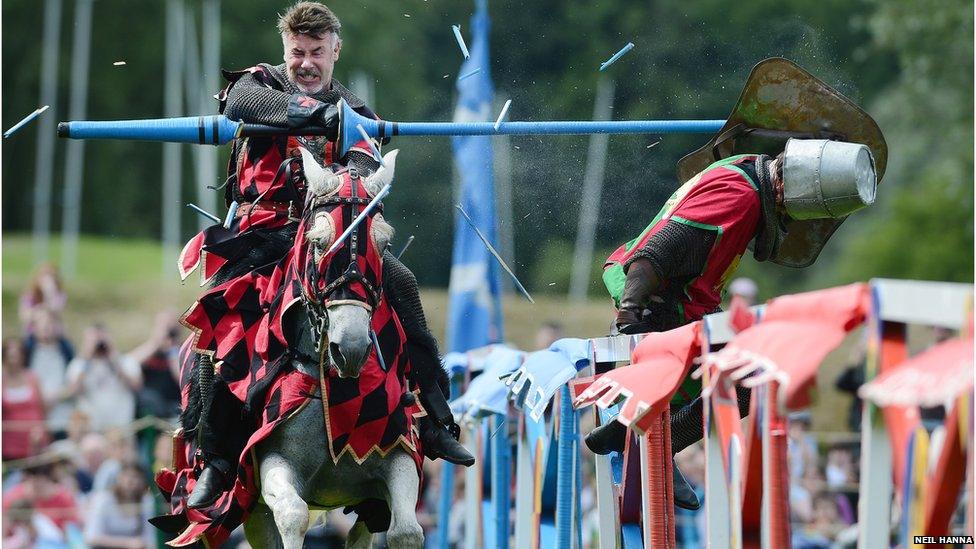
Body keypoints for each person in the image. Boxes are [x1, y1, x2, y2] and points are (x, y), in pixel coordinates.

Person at [182, 1, 473, 509]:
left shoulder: (359, 114)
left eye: (317, 52)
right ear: (286, 51)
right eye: (298, 52)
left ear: (335, 52)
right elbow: (241, 106)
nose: (306, 63)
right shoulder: (258, 84)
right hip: (261, 237)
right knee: (219, 318)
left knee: (401, 284)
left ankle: (434, 415)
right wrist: (314, 116)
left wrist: (347, 144)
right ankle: (217, 460)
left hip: (328, 241)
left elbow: (364, 166)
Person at [584, 137, 880, 510]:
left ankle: (631, 432)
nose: (787, 219)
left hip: (675, 297)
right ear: (786, 188)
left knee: (748, 372)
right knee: (752, 380)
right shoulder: (739, 195)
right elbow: (661, 251)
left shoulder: (747, 165)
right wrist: (631, 313)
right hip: (654, 293)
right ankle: (653, 442)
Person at [65, 324, 142, 433]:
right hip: (91, 430)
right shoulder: (78, 365)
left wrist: (113, 358)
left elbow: (136, 386)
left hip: (121, 429)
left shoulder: (126, 361)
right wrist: (87, 359)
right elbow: (73, 391)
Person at [83, 461, 156, 549]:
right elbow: (91, 538)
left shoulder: (146, 500)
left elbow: (150, 538)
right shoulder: (103, 499)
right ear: (118, 478)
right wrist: (127, 543)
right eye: (127, 476)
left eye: (136, 477)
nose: (131, 481)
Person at [26, 309, 75, 439]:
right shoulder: (27, 351)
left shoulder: (66, 350)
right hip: (34, 422)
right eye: (40, 323)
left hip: (63, 419)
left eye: (49, 323)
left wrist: (58, 395)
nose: (45, 327)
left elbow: (73, 382)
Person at [129, 311, 183, 419]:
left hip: (175, 405)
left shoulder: (181, 352)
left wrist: (172, 350)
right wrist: (156, 343)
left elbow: (182, 378)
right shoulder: (149, 350)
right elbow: (130, 363)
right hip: (150, 404)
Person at [2, 338, 48, 461]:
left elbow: (43, 408)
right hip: (10, 444)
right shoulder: (2, 381)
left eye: (17, 354)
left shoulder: (33, 378)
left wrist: (43, 433)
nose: (14, 359)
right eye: (10, 355)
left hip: (35, 441)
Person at [18, 264, 67, 335]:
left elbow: (57, 311)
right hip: (32, 333)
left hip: (55, 334)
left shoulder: (60, 295)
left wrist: (49, 293)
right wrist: (41, 312)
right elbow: (24, 316)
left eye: (51, 277)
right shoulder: (30, 295)